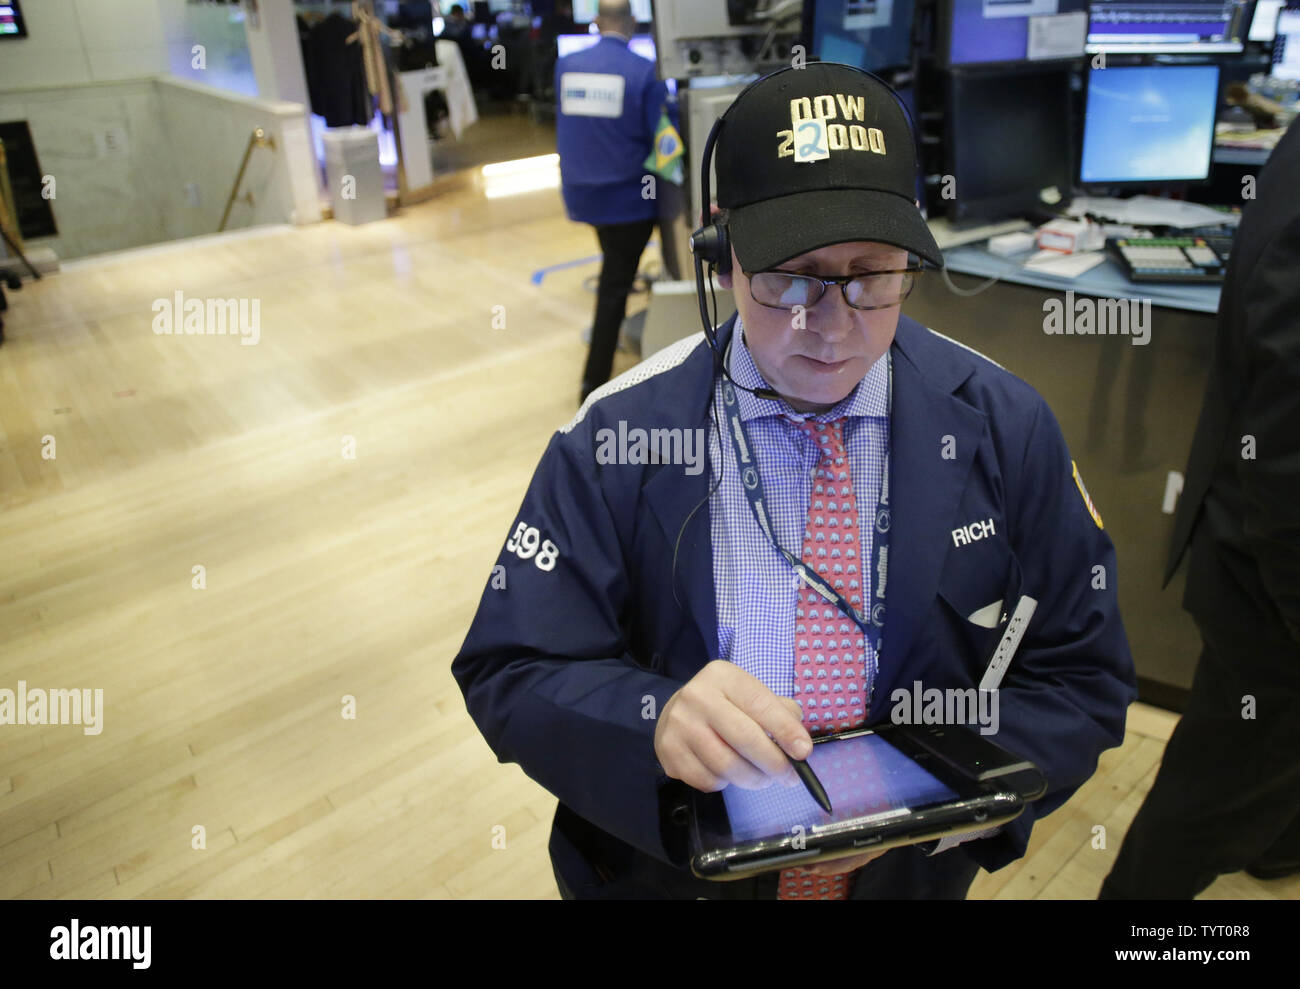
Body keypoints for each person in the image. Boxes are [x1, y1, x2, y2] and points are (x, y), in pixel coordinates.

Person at [453, 62, 1137, 899]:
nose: (832, 328)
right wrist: (650, 719)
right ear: (722, 254)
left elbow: (1082, 676)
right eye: (791, 276)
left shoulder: (1007, 427)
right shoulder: (617, 436)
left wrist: (941, 799)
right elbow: (511, 666)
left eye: (872, 274)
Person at [1098, 120, 1300, 899]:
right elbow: (1289, 455)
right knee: (1206, 799)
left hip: (1257, 545)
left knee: (1256, 770)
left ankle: (1279, 847)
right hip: (1274, 576)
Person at [553, 0, 677, 404]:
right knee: (614, 288)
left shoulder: (565, 67)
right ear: (633, 22)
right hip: (629, 202)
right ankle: (593, 386)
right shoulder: (644, 73)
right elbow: (665, 146)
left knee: (614, 269)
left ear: (595, 21)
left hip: (582, 197)